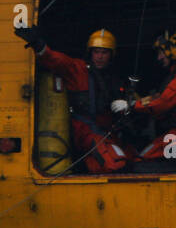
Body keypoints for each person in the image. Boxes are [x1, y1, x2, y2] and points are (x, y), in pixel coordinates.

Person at [15, 25, 134, 173]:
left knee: (131, 159)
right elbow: (55, 60)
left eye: (104, 52)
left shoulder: (115, 79)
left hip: (108, 134)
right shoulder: (78, 70)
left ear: (111, 55)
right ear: (90, 53)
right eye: (96, 52)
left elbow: (136, 103)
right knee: (115, 162)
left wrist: (128, 105)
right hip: (85, 132)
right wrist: (39, 45)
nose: (100, 56)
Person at [114, 28, 176, 164]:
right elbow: (159, 99)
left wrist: (131, 105)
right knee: (143, 157)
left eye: (161, 52)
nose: (159, 57)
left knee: (175, 151)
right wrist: (138, 101)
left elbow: (164, 103)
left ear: (173, 48)